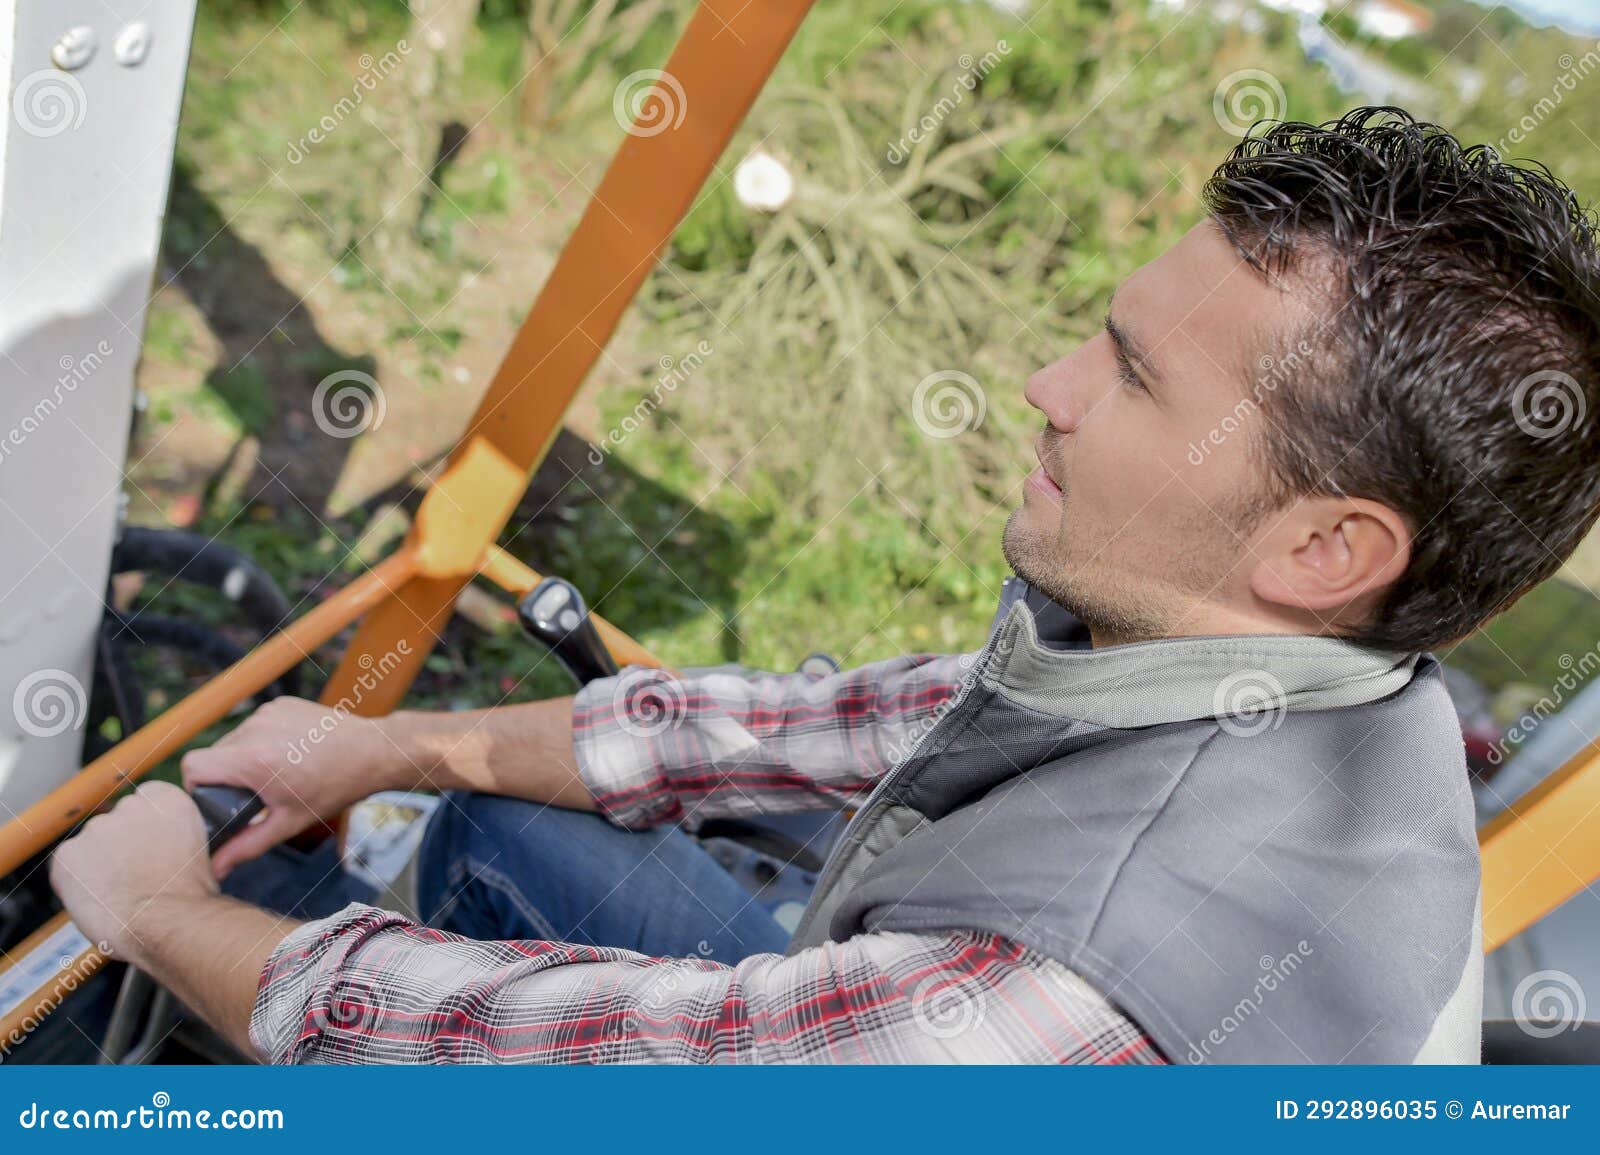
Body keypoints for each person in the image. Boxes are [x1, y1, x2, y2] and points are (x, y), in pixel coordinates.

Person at [51, 108, 1600, 1064]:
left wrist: (161, 912)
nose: (1047, 384)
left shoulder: (1073, 995)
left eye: (1130, 375)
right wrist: (379, 746)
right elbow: (822, 726)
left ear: (1325, 548)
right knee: (495, 825)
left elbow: (634, 1073)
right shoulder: (1261, 661)